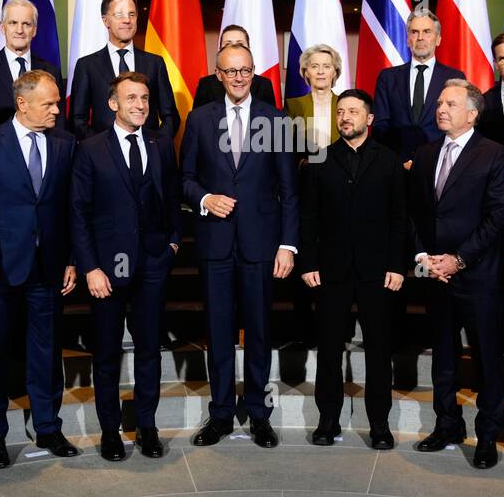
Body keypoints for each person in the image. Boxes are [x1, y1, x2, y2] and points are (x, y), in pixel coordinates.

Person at [180, 43, 299, 448]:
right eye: (230, 72)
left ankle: (259, 415)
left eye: (245, 71)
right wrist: (204, 199)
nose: (238, 78)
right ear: (218, 75)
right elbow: (185, 177)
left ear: (254, 74)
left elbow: (289, 188)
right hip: (215, 244)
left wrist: (288, 245)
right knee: (218, 331)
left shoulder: (275, 118)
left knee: (260, 332)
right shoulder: (199, 120)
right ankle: (220, 416)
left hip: (260, 245)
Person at [71, 72, 182, 462]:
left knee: (149, 348)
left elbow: (172, 198)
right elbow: (79, 213)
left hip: (153, 263)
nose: (140, 105)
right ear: (113, 104)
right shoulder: (90, 148)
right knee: (106, 353)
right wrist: (90, 268)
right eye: (131, 98)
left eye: (145, 98)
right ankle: (110, 430)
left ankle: (147, 427)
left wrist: (172, 243)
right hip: (106, 269)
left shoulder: (161, 143)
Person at [0, 69, 80, 469]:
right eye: (48, 103)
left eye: (57, 103)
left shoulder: (67, 143)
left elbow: (71, 206)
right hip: (0, 267)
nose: (56, 110)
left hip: (50, 267)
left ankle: (49, 427)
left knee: (47, 352)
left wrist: (71, 258)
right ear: (22, 103)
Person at [409, 80, 504, 468]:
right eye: (438, 103)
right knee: (444, 359)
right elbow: (415, 213)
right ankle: (447, 424)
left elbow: (498, 215)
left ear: (472, 113)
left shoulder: (494, 154)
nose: (440, 109)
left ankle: (487, 436)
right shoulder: (424, 153)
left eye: (450, 104)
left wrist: (457, 259)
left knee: (485, 359)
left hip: (478, 276)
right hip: (434, 276)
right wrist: (425, 257)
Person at [299, 89, 405, 449]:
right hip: (330, 270)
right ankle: (328, 420)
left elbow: (399, 220)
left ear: (369, 118)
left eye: (353, 111)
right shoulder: (320, 159)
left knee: (379, 348)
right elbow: (308, 216)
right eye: (341, 111)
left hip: (379, 271)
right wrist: (308, 262)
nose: (345, 117)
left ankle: (379, 425)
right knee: (329, 347)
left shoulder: (390, 161)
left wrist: (397, 265)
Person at [67, 0, 179, 140]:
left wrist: (156, 145)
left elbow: (170, 116)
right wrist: (98, 148)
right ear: (105, 20)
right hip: (103, 158)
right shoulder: (87, 66)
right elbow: (77, 118)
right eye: (119, 15)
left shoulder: (155, 63)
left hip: (147, 155)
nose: (127, 20)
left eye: (131, 14)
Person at [371, 10, 465, 165]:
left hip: (440, 164)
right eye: (414, 32)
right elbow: (380, 126)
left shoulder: (455, 78)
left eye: (427, 32)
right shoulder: (387, 78)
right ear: (408, 40)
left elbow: (458, 125)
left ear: (438, 39)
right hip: (396, 165)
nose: (420, 37)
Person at [0, 0, 65, 136]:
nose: (19, 30)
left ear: (34, 30)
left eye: (26, 24)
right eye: (13, 23)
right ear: (2, 27)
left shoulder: (50, 71)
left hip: (40, 152)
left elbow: (59, 122)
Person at [192, 24, 277, 109]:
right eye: (227, 44)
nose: (234, 49)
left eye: (240, 44)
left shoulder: (264, 85)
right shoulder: (206, 85)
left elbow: (271, 116)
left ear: (249, 48)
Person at [283, 44, 341, 158]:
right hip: (305, 171)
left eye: (327, 66)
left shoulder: (345, 104)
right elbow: (286, 148)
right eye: (314, 66)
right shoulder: (293, 106)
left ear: (334, 72)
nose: (320, 71)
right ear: (306, 72)